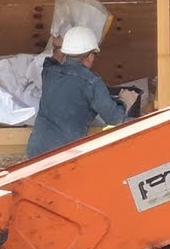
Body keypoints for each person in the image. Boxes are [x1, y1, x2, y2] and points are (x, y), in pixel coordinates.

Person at [26, 26, 139, 159]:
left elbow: (52, 61)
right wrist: (126, 101)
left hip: (35, 150)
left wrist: (58, 47)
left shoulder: (49, 72)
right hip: (62, 155)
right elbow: (114, 118)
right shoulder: (91, 82)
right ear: (90, 56)